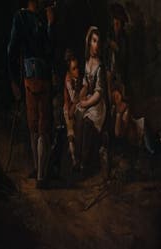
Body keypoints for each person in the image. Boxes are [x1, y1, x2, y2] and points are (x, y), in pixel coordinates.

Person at [7, 0, 55, 187]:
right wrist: (51, 25)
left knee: (35, 125)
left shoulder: (22, 17)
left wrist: (14, 80)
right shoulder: (26, 17)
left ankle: (39, 171)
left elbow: (12, 50)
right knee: (40, 125)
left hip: (29, 77)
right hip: (38, 78)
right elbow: (49, 51)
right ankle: (41, 176)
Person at [72, 26, 107, 173]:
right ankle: (77, 159)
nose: (96, 45)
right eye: (93, 41)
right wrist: (81, 96)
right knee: (78, 115)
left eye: (98, 42)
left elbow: (99, 93)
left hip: (98, 105)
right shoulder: (87, 63)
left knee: (87, 123)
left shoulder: (100, 66)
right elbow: (86, 84)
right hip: (89, 99)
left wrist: (86, 102)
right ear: (89, 43)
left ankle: (85, 163)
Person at [63, 53, 81, 169]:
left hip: (75, 107)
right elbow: (74, 98)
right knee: (71, 133)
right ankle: (74, 160)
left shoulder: (77, 79)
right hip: (69, 108)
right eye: (74, 69)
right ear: (69, 71)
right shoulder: (69, 81)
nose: (77, 70)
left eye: (77, 67)